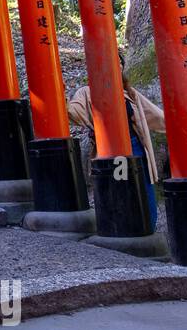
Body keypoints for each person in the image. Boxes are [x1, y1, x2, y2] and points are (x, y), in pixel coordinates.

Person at [67, 55, 166, 229]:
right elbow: (74, 112)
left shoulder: (128, 92)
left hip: (135, 146)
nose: (116, 67)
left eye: (120, 64)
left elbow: (155, 115)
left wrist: (181, 123)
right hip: (109, 150)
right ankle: (123, 230)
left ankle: (147, 230)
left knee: (144, 191)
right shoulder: (87, 92)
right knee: (120, 190)